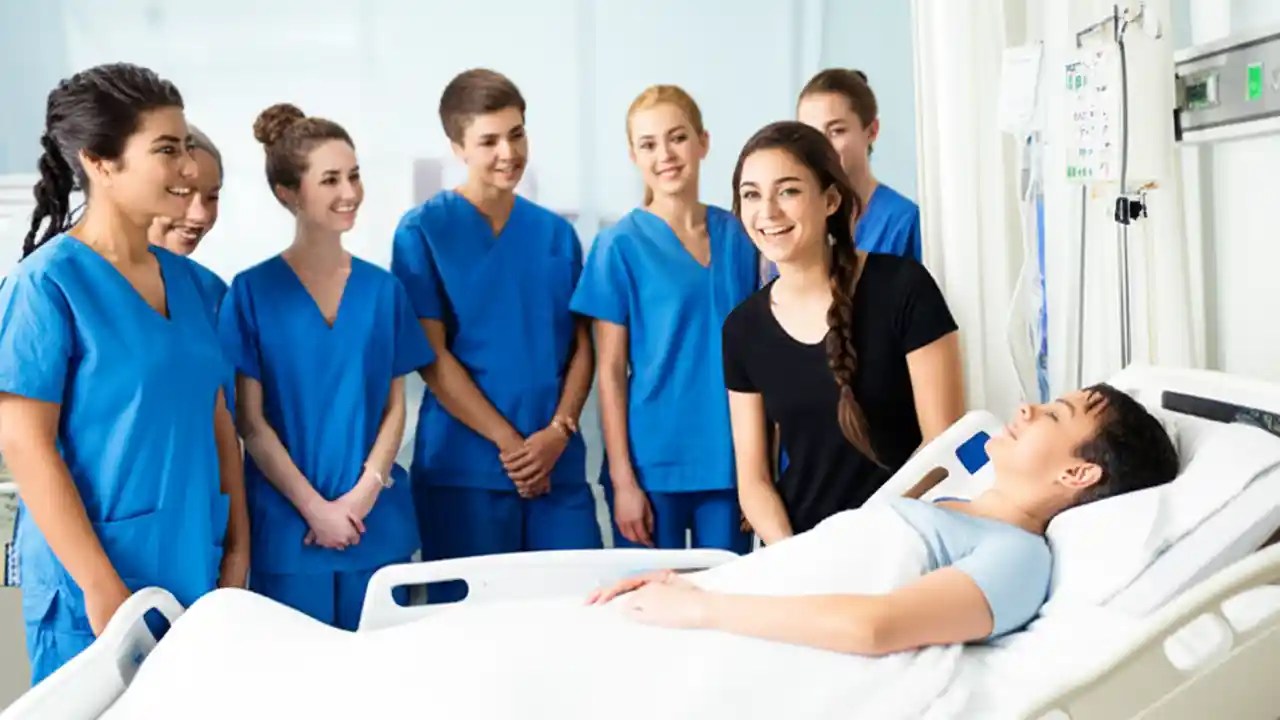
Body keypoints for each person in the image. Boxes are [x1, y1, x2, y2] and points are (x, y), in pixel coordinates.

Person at [590, 384, 1180, 653]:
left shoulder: (1019, 556)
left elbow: (873, 627)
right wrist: (694, 584)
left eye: (1055, 414)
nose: (1027, 407)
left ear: (1078, 475)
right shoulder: (953, 508)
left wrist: (703, 609)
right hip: (727, 605)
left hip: (730, 637)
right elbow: (811, 569)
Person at [0, 62, 248, 684]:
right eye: (167, 149)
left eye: (187, 146)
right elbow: (25, 443)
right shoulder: (47, 284)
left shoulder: (198, 289)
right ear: (101, 163)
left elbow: (217, 419)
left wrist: (239, 548)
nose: (189, 167)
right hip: (95, 584)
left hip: (196, 562)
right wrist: (101, 586)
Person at [218, 104, 434, 630]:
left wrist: (361, 497)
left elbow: (393, 408)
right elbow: (251, 421)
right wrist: (315, 509)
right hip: (290, 529)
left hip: (373, 526)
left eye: (355, 176)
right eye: (331, 179)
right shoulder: (252, 292)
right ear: (288, 193)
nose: (350, 192)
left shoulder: (383, 291)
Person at [392, 68, 601, 568]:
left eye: (517, 133)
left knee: (581, 612)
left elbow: (583, 345)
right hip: (467, 472)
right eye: (489, 141)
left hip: (557, 464)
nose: (509, 152)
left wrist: (558, 431)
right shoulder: (423, 231)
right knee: (472, 629)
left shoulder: (555, 234)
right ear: (457, 147)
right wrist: (511, 445)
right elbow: (431, 357)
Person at [721, 121, 965, 543]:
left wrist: (868, 539)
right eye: (751, 194)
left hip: (906, 539)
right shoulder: (743, 329)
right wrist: (793, 554)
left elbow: (944, 445)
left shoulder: (904, 287)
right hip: (803, 548)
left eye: (789, 191)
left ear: (830, 199)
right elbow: (754, 480)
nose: (768, 212)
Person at [570, 85, 757, 553]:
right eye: (649, 144)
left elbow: (760, 359)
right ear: (633, 155)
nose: (665, 155)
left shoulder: (740, 236)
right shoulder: (618, 246)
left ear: (703, 142)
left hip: (730, 461)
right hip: (651, 465)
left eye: (677, 138)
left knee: (728, 606)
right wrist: (623, 480)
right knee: (650, 610)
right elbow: (609, 374)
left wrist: (760, 471)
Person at [797, 68, 922, 261]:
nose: (821, 146)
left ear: (871, 131)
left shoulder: (905, 223)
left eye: (837, 131)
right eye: (810, 134)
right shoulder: (794, 223)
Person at [147, 125, 227, 320]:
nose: (201, 216)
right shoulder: (72, 282)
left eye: (212, 197)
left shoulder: (212, 294)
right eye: (181, 193)